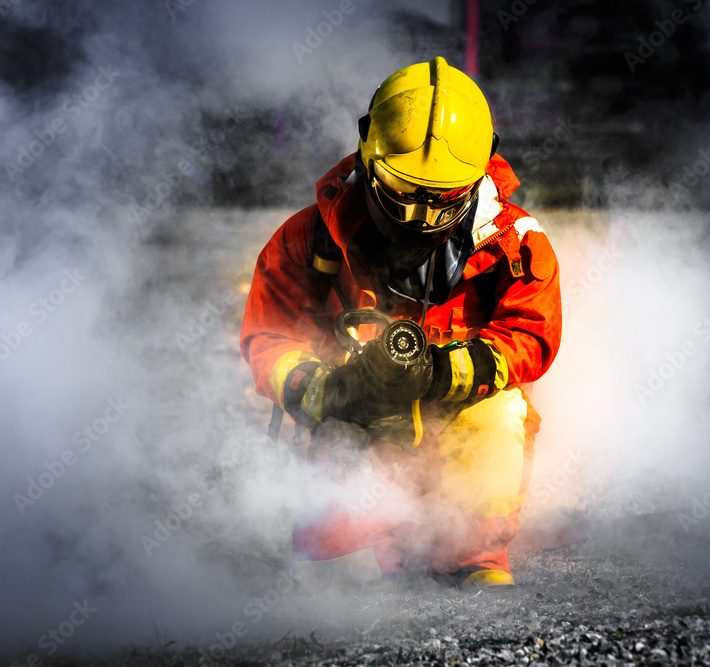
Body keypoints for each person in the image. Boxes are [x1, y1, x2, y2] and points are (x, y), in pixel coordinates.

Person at [240, 56, 562, 588]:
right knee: (336, 585)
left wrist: (443, 372)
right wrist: (329, 389)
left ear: (483, 166)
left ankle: (470, 560)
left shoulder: (516, 245)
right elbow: (268, 339)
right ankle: (347, 555)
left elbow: (531, 333)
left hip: (457, 421)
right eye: (403, 193)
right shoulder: (307, 239)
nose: (418, 219)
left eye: (442, 202)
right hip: (354, 421)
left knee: (500, 412)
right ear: (369, 150)